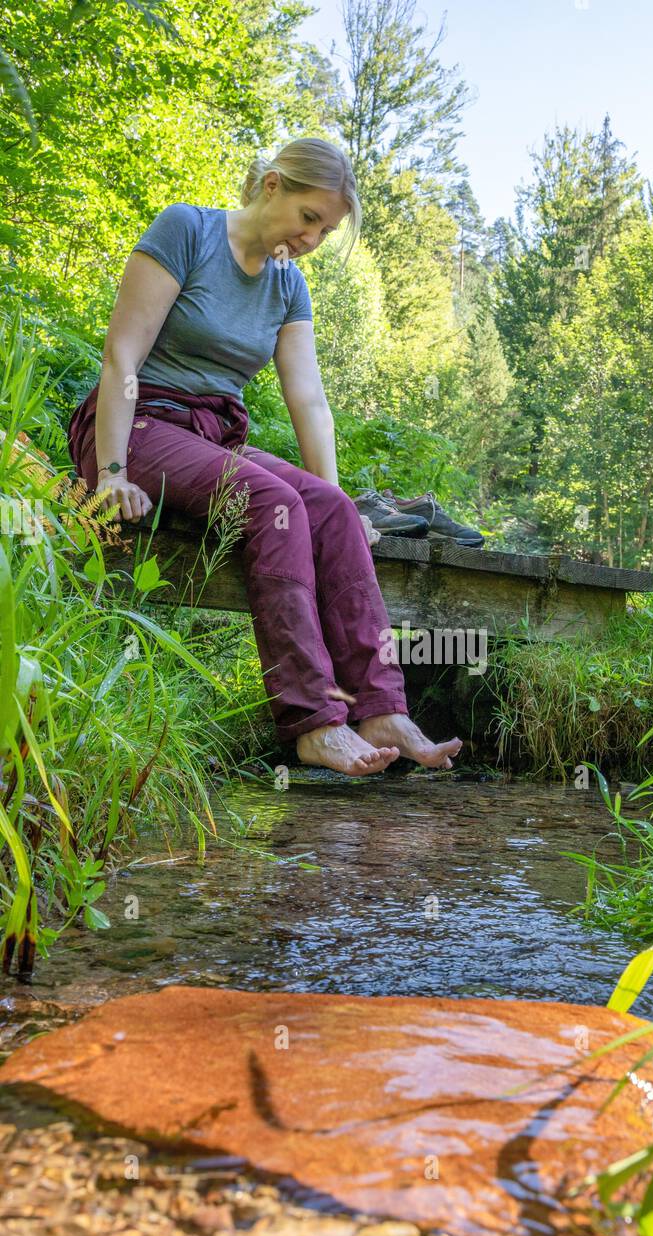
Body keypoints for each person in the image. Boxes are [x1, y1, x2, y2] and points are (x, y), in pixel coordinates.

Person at [67, 138, 462, 778]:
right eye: (310, 218)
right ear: (272, 185)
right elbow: (121, 358)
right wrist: (111, 471)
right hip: (137, 427)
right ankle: (313, 722)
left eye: (326, 230)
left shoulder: (288, 286)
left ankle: (382, 708)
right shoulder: (186, 230)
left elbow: (308, 400)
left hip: (211, 441)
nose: (314, 238)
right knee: (272, 500)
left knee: (329, 509)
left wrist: (340, 501)